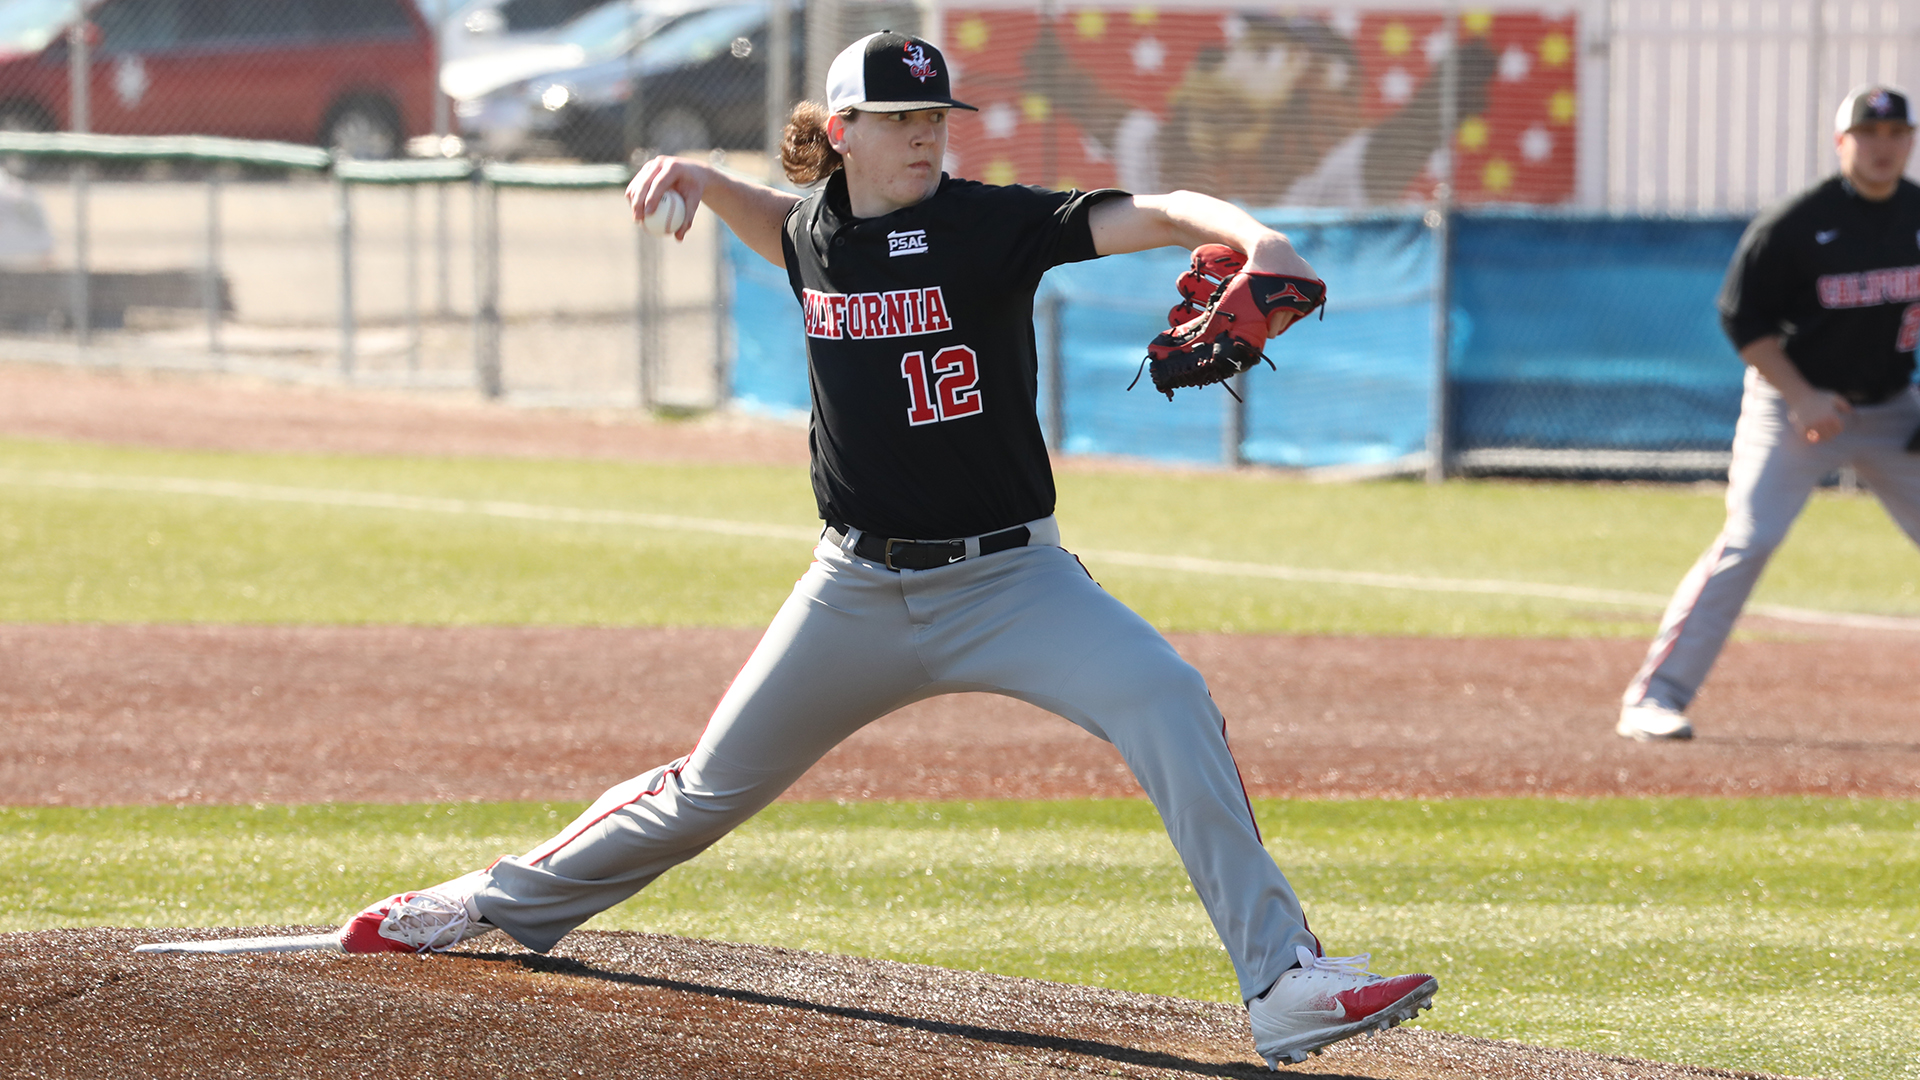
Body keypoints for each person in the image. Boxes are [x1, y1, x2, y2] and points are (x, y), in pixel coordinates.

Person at [333, 31, 1437, 1068]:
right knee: (705, 788)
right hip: (854, 588)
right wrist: (701, 177)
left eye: (936, 117)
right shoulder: (818, 230)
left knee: (1169, 698)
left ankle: (1283, 982)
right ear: (845, 129)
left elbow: (1148, 209)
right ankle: (492, 901)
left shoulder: (984, 224)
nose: (924, 135)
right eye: (900, 116)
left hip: (1014, 580)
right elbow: (780, 224)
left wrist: (1259, 238)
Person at [1618, 83, 1920, 741]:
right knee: (1748, 539)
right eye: (1868, 134)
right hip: (1791, 404)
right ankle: (1653, 696)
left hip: (1892, 409)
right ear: (1842, 143)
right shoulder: (1795, 224)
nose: (1882, 147)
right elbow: (1741, 318)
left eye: (1896, 135)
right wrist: (1802, 395)